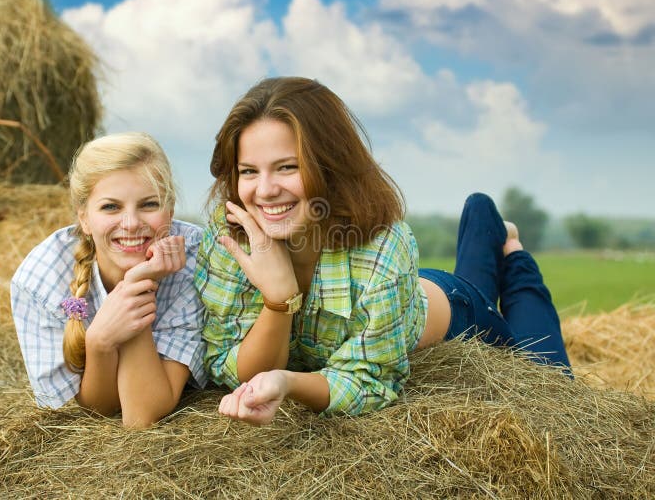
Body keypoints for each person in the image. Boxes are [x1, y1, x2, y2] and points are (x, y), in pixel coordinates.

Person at [194, 77, 570, 426]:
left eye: (287, 167)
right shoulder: (228, 235)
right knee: (476, 278)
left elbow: (368, 380)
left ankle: (511, 248)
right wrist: (279, 300)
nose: (265, 190)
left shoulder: (385, 244)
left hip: (457, 314)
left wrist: (292, 383)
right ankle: (485, 228)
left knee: (551, 379)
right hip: (403, 293)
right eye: (248, 171)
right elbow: (229, 365)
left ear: (331, 166)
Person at [11, 132, 207, 428]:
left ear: (171, 209)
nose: (131, 224)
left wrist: (138, 283)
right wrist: (100, 343)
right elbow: (92, 411)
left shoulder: (194, 258)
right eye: (111, 207)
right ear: (84, 218)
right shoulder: (41, 279)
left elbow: (143, 415)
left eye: (149, 205)